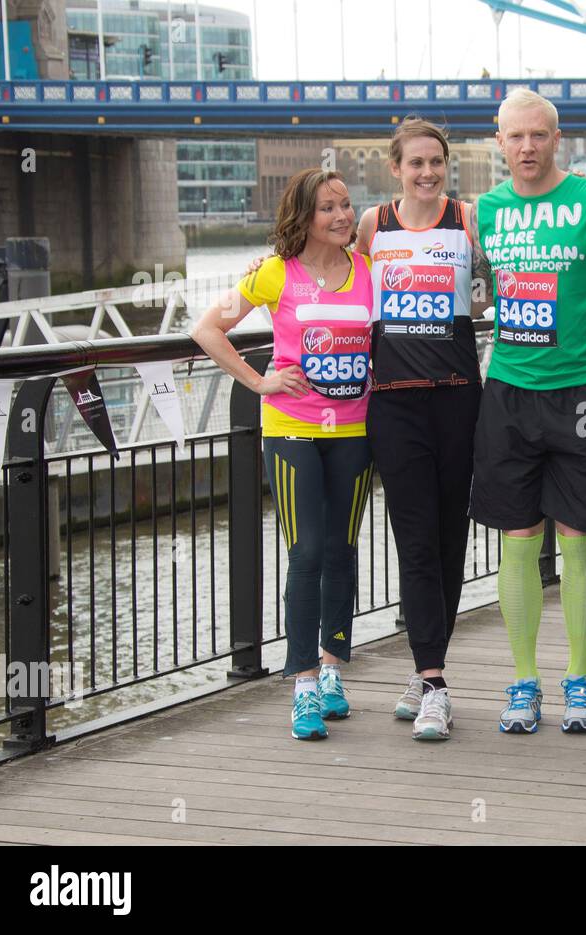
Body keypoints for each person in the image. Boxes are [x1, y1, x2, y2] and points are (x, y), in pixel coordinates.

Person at [469, 89, 586, 734]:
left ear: (555, 138)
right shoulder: (482, 211)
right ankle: (522, 683)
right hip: (508, 391)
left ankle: (578, 680)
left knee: (580, 537)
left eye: (539, 135)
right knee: (517, 539)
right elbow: (469, 289)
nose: (528, 148)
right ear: (499, 141)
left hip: (585, 390)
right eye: (516, 137)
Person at [193, 170, 373, 741]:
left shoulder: (369, 270)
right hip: (293, 430)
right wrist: (259, 382)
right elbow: (208, 329)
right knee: (309, 552)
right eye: (328, 209)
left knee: (343, 550)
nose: (342, 216)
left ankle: (332, 671)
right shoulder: (274, 273)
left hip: (355, 432)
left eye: (346, 205)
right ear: (304, 217)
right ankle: (301, 685)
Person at [354, 117, 486, 741]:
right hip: (393, 404)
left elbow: (499, 286)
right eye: (416, 164)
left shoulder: (468, 219)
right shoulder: (372, 226)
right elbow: (337, 281)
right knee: (413, 539)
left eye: (437, 162)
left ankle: (428, 667)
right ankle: (433, 679)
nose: (428, 173)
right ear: (396, 168)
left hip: (458, 398)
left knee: (448, 537)